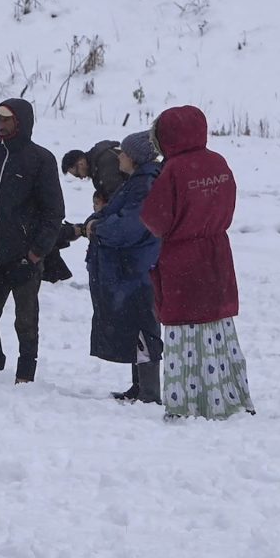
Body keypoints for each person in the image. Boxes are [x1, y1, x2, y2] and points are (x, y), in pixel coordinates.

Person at [139, 104, 254, 420]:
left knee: (186, 330)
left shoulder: (174, 170)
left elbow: (156, 218)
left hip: (182, 258)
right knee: (217, 325)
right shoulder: (217, 162)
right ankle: (228, 394)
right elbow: (229, 203)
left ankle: (188, 401)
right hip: (217, 252)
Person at [0, 97, 65, 382]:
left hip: (24, 258)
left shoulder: (41, 159)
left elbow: (54, 211)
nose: (0, 123)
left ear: (20, 122)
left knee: (26, 322)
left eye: (6, 118)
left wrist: (36, 253)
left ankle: (25, 373)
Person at [86, 130, 163, 404]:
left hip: (136, 269)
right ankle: (140, 386)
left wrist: (98, 228)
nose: (119, 156)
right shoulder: (138, 182)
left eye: (124, 152)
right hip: (133, 267)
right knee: (136, 326)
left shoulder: (144, 185)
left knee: (143, 327)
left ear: (134, 157)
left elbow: (128, 226)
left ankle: (150, 392)